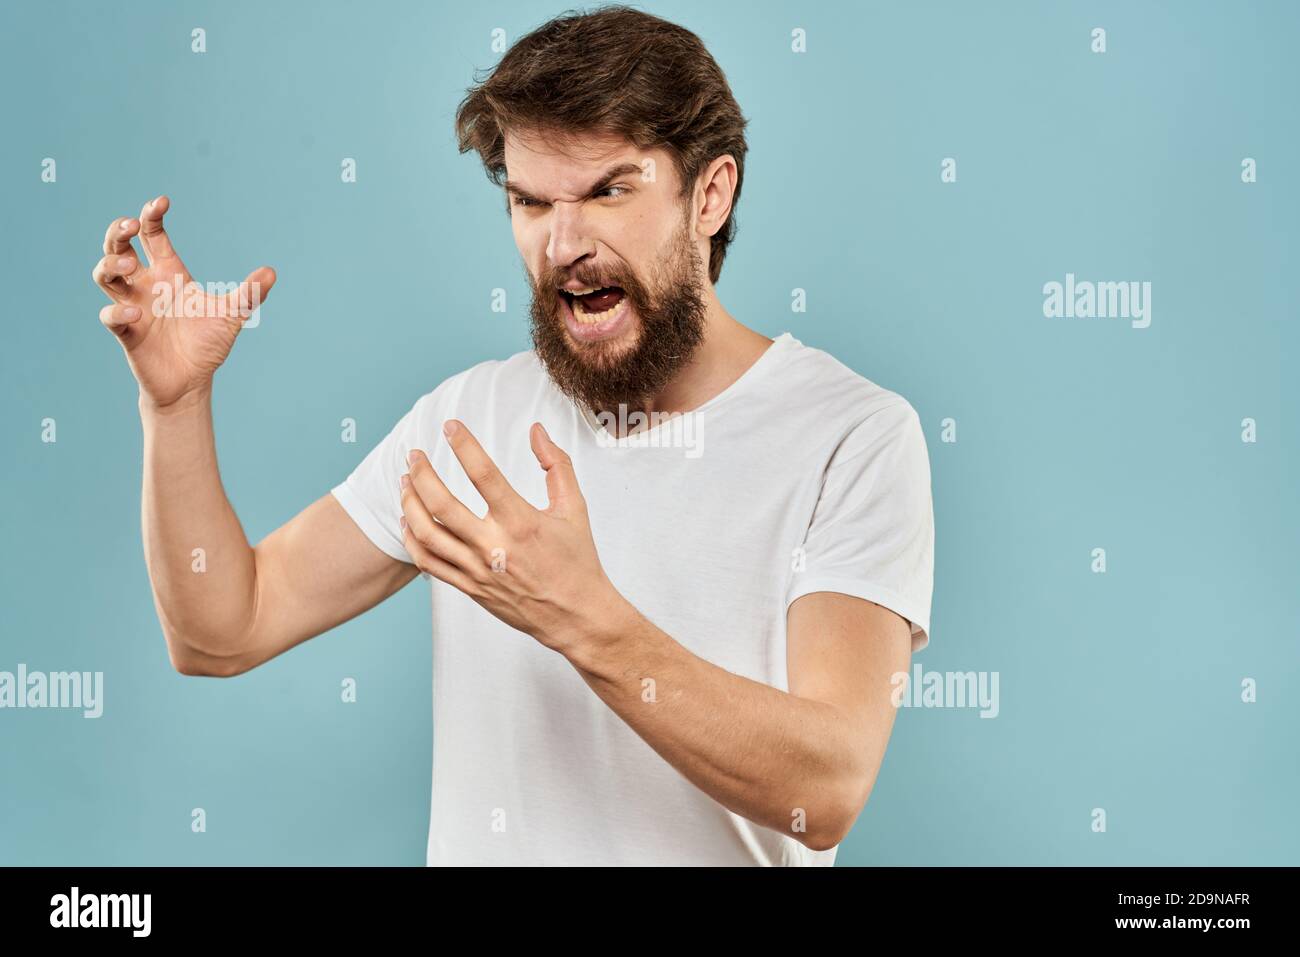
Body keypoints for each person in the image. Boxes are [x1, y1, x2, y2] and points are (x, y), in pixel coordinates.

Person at [89, 4, 934, 866]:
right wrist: (177, 406)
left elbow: (826, 787)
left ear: (708, 195)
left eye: (609, 189)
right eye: (530, 201)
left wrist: (581, 615)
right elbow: (222, 628)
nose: (565, 244)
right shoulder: (471, 423)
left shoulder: (851, 435)